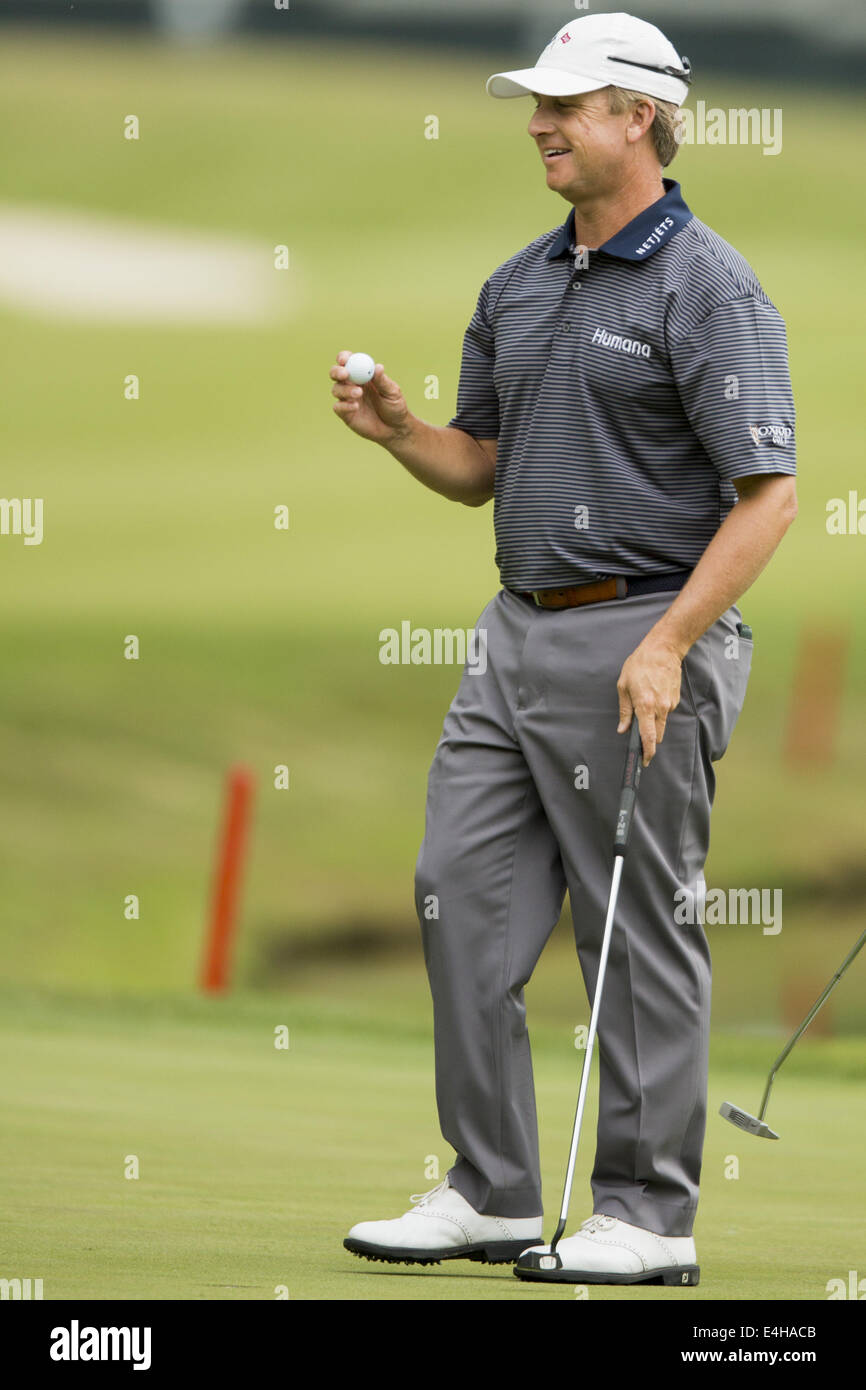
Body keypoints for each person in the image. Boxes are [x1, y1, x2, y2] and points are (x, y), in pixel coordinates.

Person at [332, 12, 797, 1285]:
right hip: (515, 633)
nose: (538, 121)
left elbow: (767, 498)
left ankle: (646, 1217)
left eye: (566, 104)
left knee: (631, 935)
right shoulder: (521, 284)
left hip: (645, 633)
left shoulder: (708, 285)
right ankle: (489, 1191)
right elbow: (480, 469)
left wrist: (669, 643)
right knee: (457, 894)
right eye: (534, 104)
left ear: (637, 117)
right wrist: (399, 430)